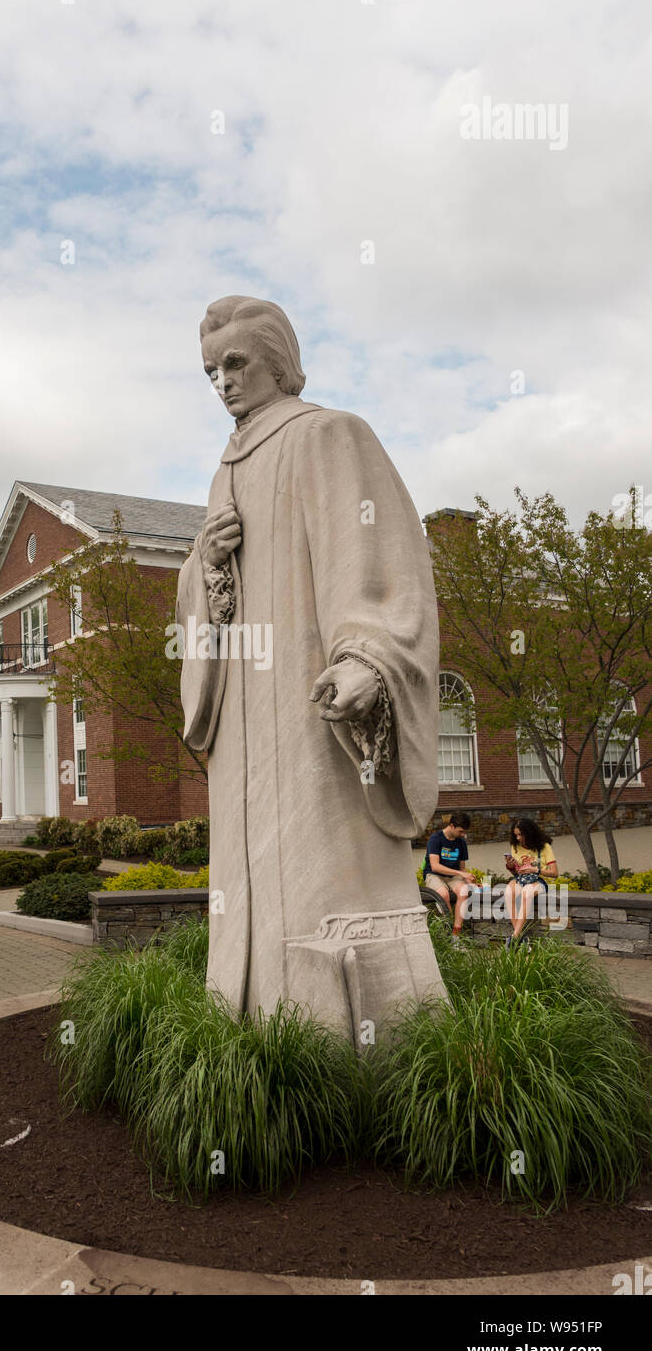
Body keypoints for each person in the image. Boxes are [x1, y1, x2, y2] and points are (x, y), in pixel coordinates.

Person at [176, 296, 447, 1034]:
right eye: (211, 371)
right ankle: (251, 1029)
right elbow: (207, 605)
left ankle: (342, 1044)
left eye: (236, 363)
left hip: (310, 713)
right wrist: (206, 566)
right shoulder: (225, 471)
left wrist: (367, 659)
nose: (224, 382)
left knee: (324, 876)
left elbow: (384, 560)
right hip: (243, 728)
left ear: (277, 360)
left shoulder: (330, 435)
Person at [503, 816, 559, 948]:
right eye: (515, 835)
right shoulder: (515, 846)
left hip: (539, 880)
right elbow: (516, 873)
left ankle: (514, 938)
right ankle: (520, 938)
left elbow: (555, 873)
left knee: (527, 893)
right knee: (508, 892)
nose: (518, 838)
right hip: (522, 879)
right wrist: (510, 866)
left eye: (521, 835)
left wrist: (535, 869)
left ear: (530, 833)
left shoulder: (544, 847)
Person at [423, 812, 477, 940]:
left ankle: (455, 935)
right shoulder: (435, 838)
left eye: (464, 832)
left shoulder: (461, 842)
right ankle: (448, 929)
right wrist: (460, 873)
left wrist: (469, 882)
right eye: (461, 831)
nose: (463, 835)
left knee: (464, 891)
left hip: (453, 876)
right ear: (452, 826)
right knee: (443, 894)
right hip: (434, 874)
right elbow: (435, 866)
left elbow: (462, 868)